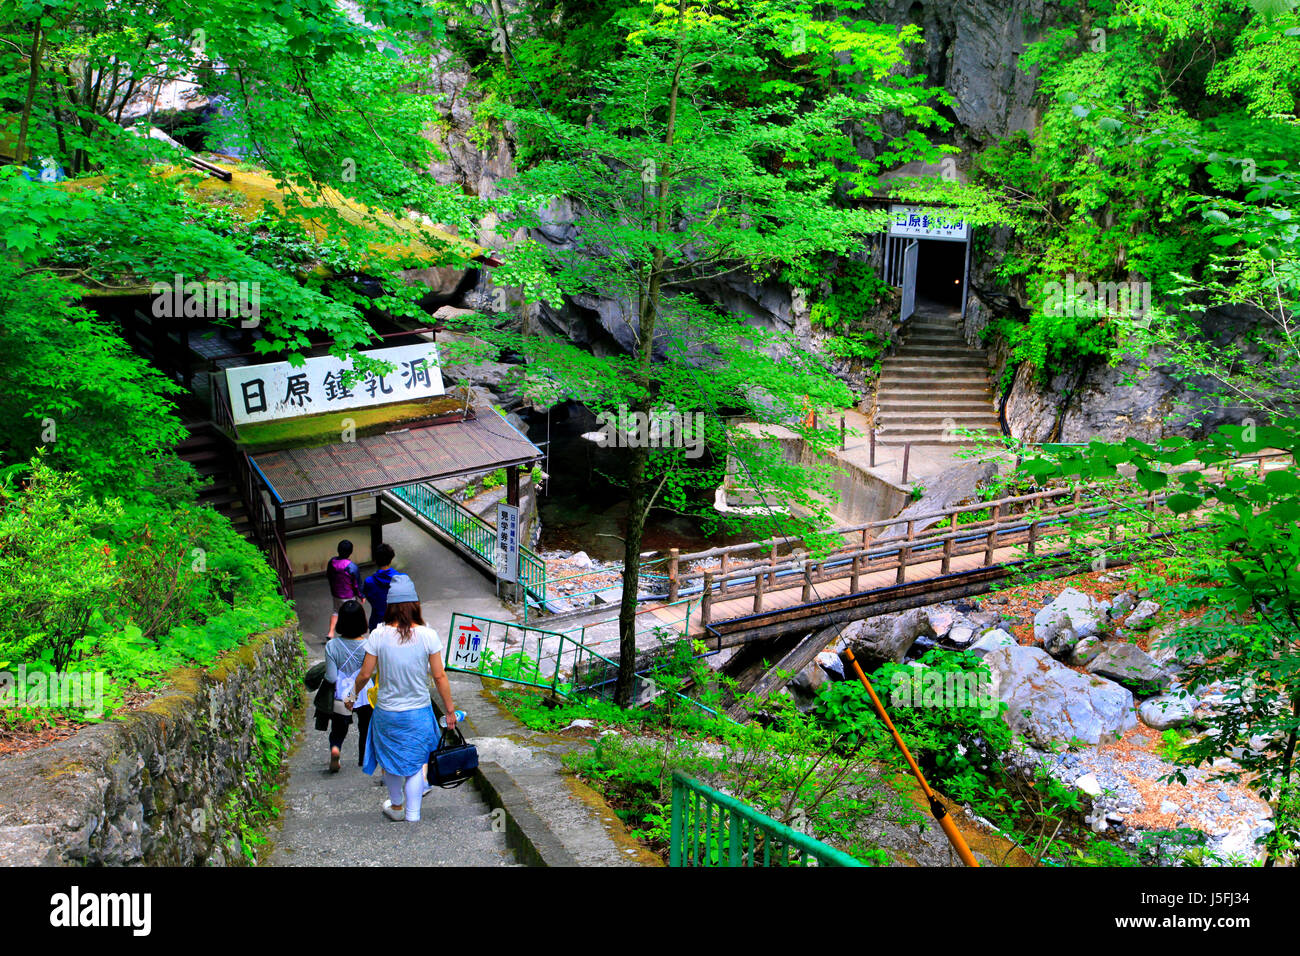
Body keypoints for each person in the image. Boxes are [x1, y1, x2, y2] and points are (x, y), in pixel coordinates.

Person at [347, 575, 456, 823]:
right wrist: (449, 711)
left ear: (390, 606)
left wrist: (352, 695)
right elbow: (439, 676)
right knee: (417, 763)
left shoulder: (378, 635)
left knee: (392, 761)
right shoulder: (428, 635)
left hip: (387, 712)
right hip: (418, 711)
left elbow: (365, 674)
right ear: (415, 605)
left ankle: (396, 807)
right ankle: (413, 813)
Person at [322, 600, 374, 772]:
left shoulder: (332, 645)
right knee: (365, 726)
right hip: (364, 690)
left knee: (338, 726)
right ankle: (363, 759)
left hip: (341, 691)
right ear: (362, 621)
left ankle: (336, 748)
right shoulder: (369, 645)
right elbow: (368, 672)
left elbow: (330, 676)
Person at [326, 540, 364, 639]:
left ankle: (330, 632)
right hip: (349, 595)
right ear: (351, 552)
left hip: (336, 593)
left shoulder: (332, 562)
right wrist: (361, 595)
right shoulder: (352, 567)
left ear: (338, 550)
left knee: (336, 612)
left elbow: (329, 575)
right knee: (351, 614)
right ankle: (351, 634)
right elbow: (356, 583)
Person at [362, 542, 398, 631]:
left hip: (376, 622)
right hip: (396, 621)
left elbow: (368, 596)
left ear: (376, 560)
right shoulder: (400, 579)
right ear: (391, 559)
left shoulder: (369, 582)